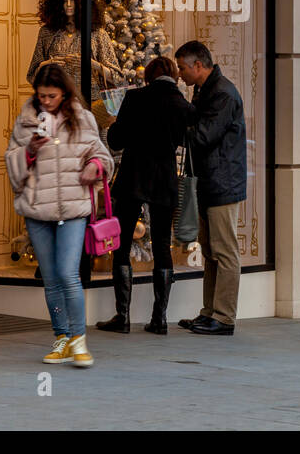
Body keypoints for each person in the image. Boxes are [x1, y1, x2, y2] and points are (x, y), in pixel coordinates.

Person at [7, 62, 113, 367]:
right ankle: (62, 338)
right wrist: (29, 150)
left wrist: (96, 166)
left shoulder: (83, 119)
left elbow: (102, 156)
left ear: (65, 93)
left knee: (68, 274)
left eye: (52, 96)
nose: (46, 101)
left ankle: (79, 341)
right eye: (41, 96)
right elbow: (12, 164)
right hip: (37, 210)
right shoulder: (26, 121)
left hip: (72, 209)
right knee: (51, 279)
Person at [97, 55, 193, 335]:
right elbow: (186, 141)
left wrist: (116, 122)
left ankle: (122, 316)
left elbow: (116, 140)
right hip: (164, 179)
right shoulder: (181, 105)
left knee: (122, 243)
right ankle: (159, 319)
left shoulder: (135, 98)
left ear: (148, 76)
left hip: (133, 176)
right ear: (174, 76)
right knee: (162, 245)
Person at [174, 40, 246, 336]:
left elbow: (203, 136)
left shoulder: (223, 94)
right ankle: (209, 312)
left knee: (225, 251)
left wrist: (175, 126)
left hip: (222, 183)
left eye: (182, 68)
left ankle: (225, 317)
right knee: (210, 251)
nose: (180, 74)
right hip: (209, 181)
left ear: (198, 66)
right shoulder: (204, 90)